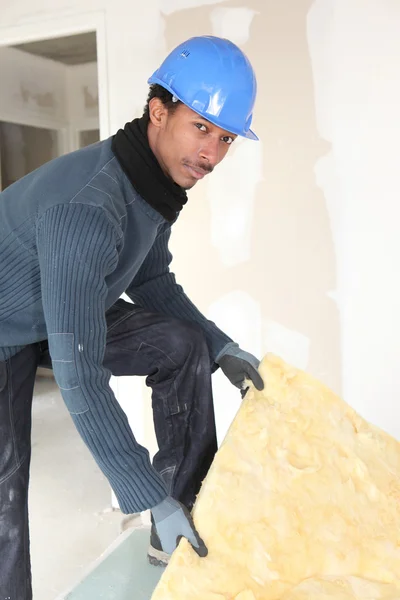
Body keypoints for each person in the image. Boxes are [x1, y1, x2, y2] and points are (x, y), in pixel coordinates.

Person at [0, 35, 264, 598]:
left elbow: (150, 280)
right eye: (201, 129)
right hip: (4, 326)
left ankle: (179, 516)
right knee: (4, 494)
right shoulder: (89, 207)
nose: (212, 154)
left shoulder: (150, 185)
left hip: (56, 310)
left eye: (224, 138)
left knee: (183, 342)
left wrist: (220, 347)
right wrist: (140, 487)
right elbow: (79, 372)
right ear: (158, 111)